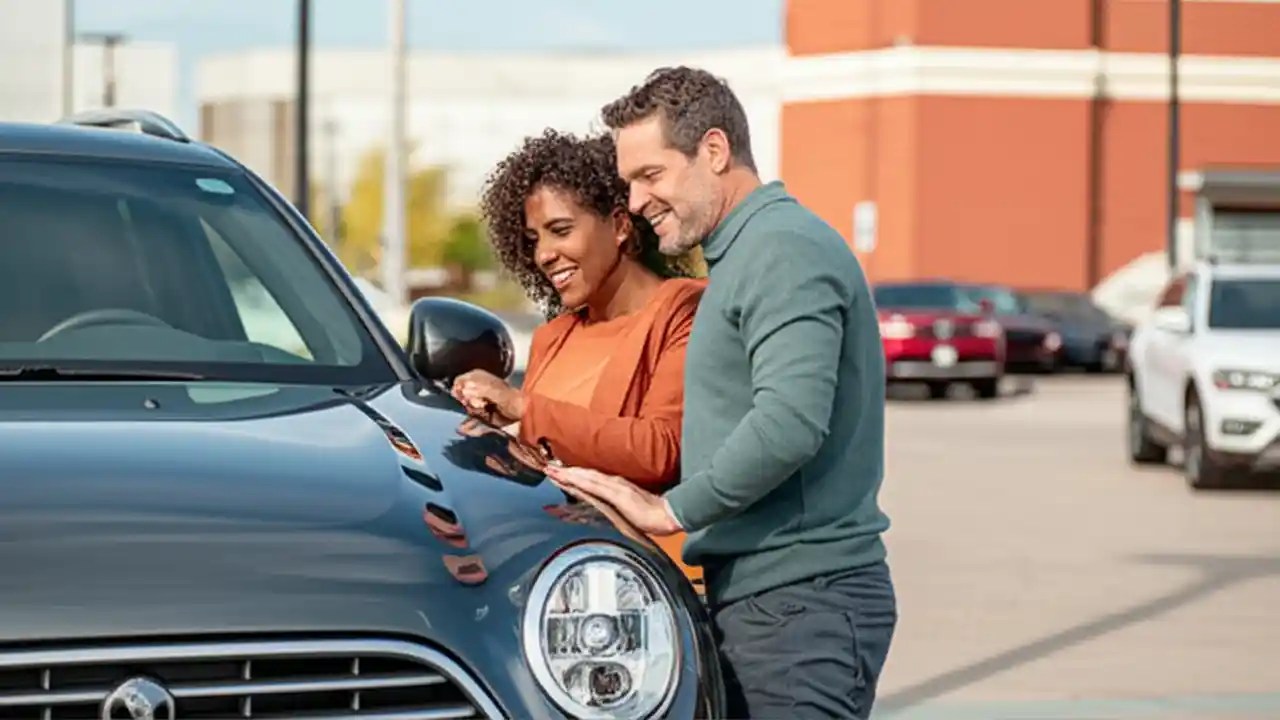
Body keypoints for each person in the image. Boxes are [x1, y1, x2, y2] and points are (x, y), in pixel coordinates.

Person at [545, 67, 897, 719]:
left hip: (801, 606)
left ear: (713, 150)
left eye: (651, 175)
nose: (639, 200)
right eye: (628, 182)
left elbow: (790, 422)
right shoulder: (746, 253)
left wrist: (671, 511)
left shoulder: (782, 249)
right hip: (775, 603)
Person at [450, 128, 706, 579]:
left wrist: (524, 408)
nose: (545, 254)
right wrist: (499, 430)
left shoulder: (684, 310)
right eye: (533, 240)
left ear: (621, 226)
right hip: (558, 581)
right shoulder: (554, 337)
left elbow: (662, 450)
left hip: (651, 582)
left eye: (560, 230)